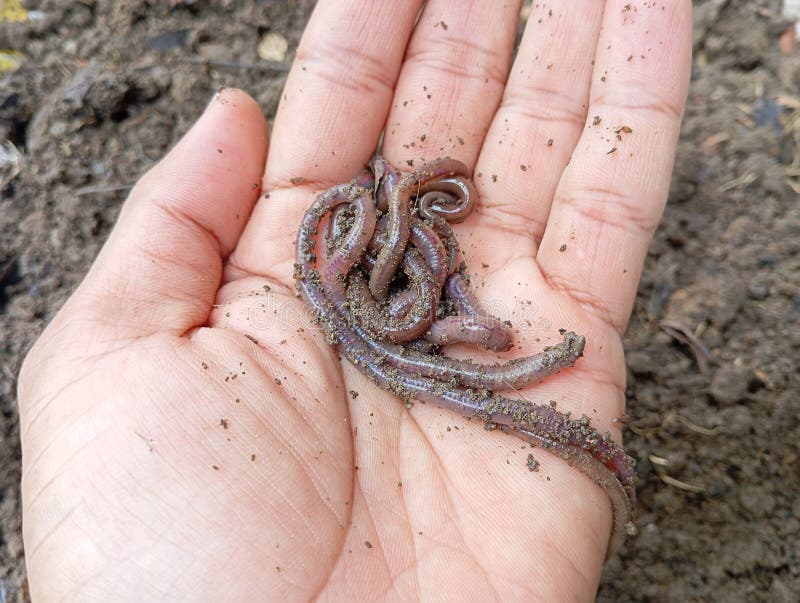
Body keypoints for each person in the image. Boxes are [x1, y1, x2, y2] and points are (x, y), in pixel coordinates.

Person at [17, 1, 692, 600]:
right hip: (386, 302)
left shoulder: (400, 261)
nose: (486, 331)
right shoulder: (362, 265)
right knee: (444, 352)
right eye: (483, 329)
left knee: (449, 350)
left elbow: (430, 276)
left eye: (482, 331)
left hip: (396, 294)